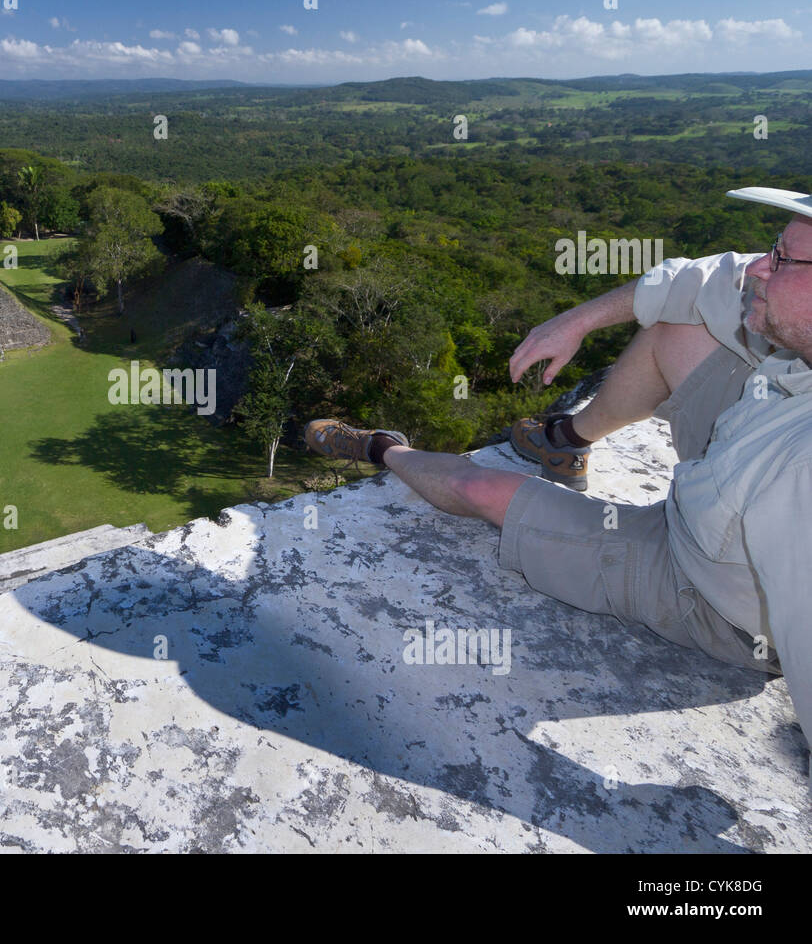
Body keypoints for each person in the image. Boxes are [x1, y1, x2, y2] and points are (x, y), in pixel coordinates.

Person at [305, 186, 812, 752]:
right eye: (774, 247)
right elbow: (696, 283)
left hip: (708, 588)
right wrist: (575, 320)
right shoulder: (794, 344)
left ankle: (382, 449)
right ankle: (566, 441)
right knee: (679, 325)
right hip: (747, 450)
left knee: (482, 486)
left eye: (784, 261)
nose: (760, 268)